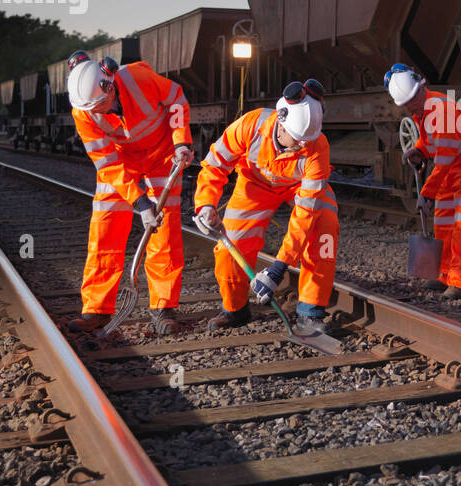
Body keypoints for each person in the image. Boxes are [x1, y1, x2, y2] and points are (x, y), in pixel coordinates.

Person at [193, 79, 339, 333]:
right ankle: (235, 310)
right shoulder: (251, 125)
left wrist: (278, 268)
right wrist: (205, 205)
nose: (304, 145)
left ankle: (311, 312)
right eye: (298, 139)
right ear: (280, 124)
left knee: (324, 225)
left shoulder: (317, 146)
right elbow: (215, 165)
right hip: (254, 186)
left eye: (308, 140)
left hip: (299, 189)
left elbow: (307, 213)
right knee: (229, 249)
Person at [65, 51, 192, 336]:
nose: (98, 111)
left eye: (101, 104)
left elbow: (177, 101)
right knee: (105, 229)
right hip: (121, 163)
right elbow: (106, 163)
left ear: (110, 84)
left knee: (164, 231)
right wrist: (139, 201)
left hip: (162, 156)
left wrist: (182, 142)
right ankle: (96, 309)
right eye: (92, 109)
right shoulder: (83, 111)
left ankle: (163, 308)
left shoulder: (139, 78)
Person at [384, 64, 461, 300]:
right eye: (408, 103)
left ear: (421, 87)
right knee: (443, 222)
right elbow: (432, 140)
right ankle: (443, 274)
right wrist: (419, 150)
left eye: (414, 99)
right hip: (453, 167)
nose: (412, 105)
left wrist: (426, 192)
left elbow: (444, 158)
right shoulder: (426, 109)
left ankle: (460, 282)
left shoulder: (439, 110)